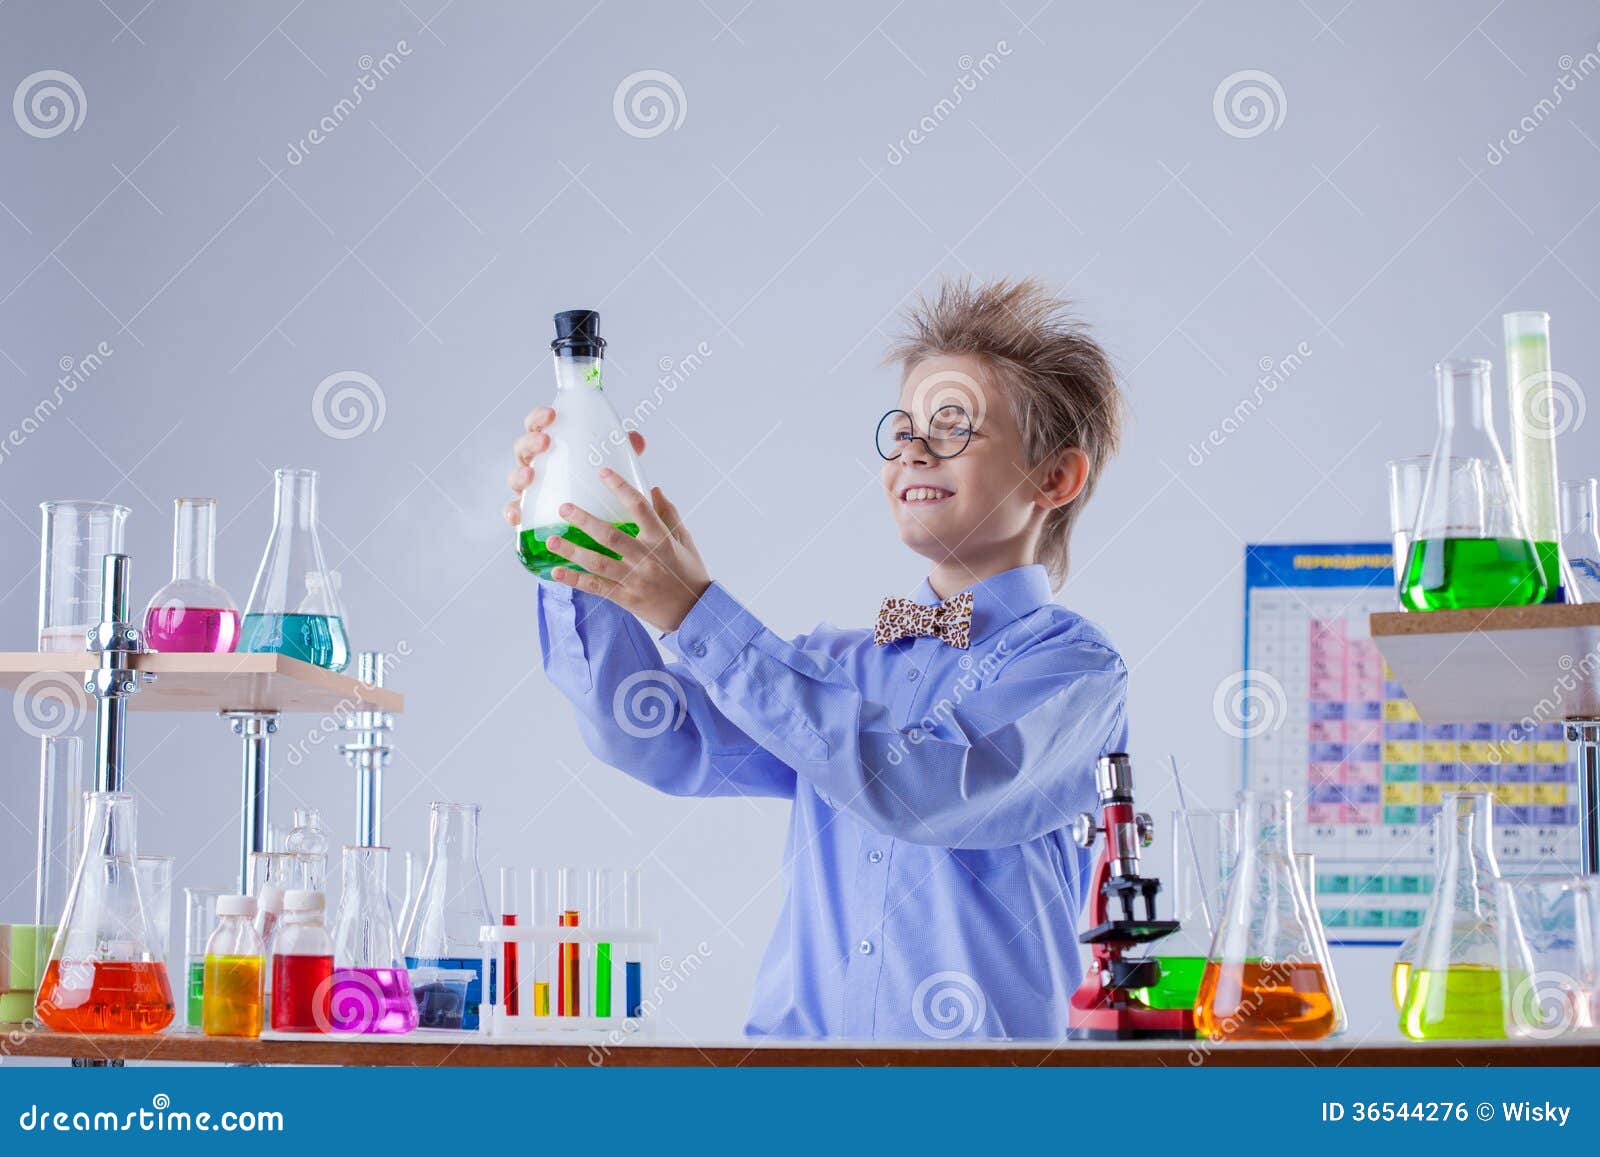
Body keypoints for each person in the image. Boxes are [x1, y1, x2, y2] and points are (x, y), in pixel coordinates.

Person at [503, 276, 1128, 1039]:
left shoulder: (1077, 670)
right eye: (901, 428)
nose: (911, 447)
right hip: (798, 1089)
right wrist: (589, 557)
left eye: (954, 425)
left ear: (1054, 478)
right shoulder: (833, 664)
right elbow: (651, 735)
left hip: (980, 1103)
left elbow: (924, 787)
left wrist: (697, 613)